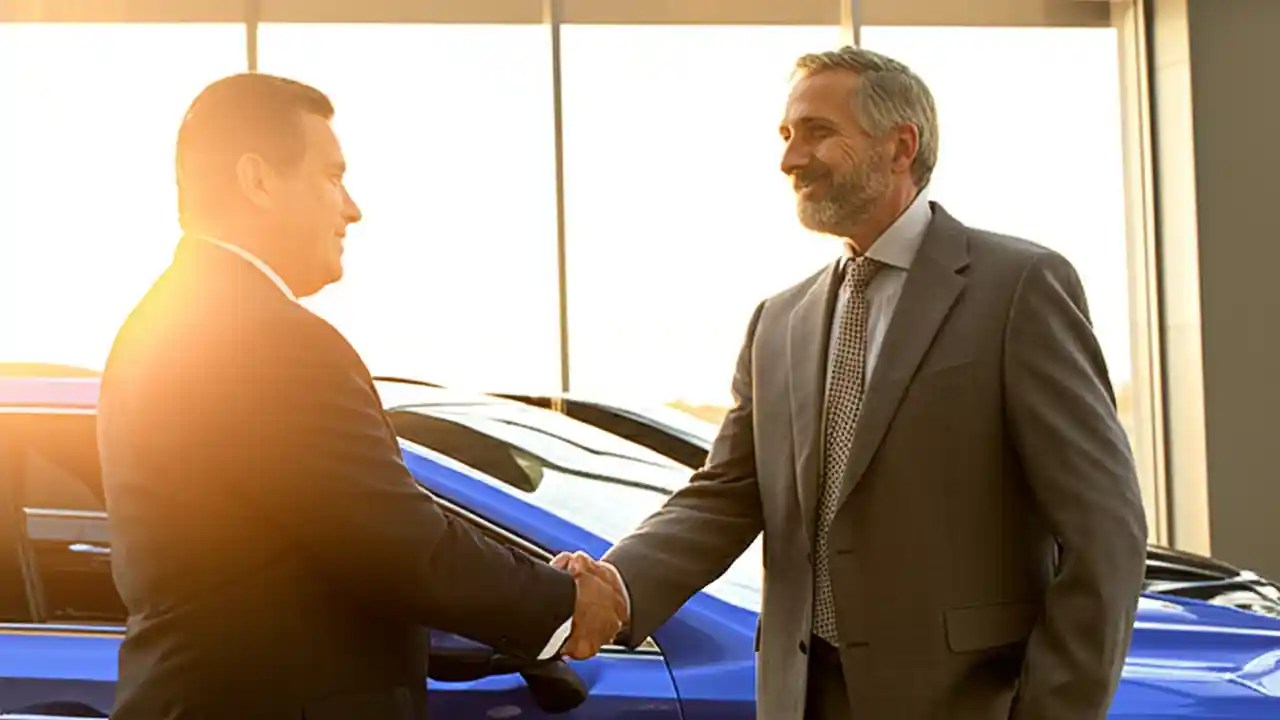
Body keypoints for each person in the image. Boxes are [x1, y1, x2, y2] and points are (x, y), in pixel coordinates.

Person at [558, 46, 1148, 720]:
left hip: (964, 704)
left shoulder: (1019, 288)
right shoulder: (778, 321)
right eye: (786, 135)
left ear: (901, 147)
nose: (790, 159)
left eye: (817, 132)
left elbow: (1106, 530)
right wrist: (617, 582)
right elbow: (725, 495)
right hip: (800, 698)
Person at [96, 72, 624, 720]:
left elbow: (341, 528)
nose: (351, 208)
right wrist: (563, 602)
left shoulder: (169, 317)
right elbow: (392, 538)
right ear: (258, 180)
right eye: (332, 177)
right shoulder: (262, 335)